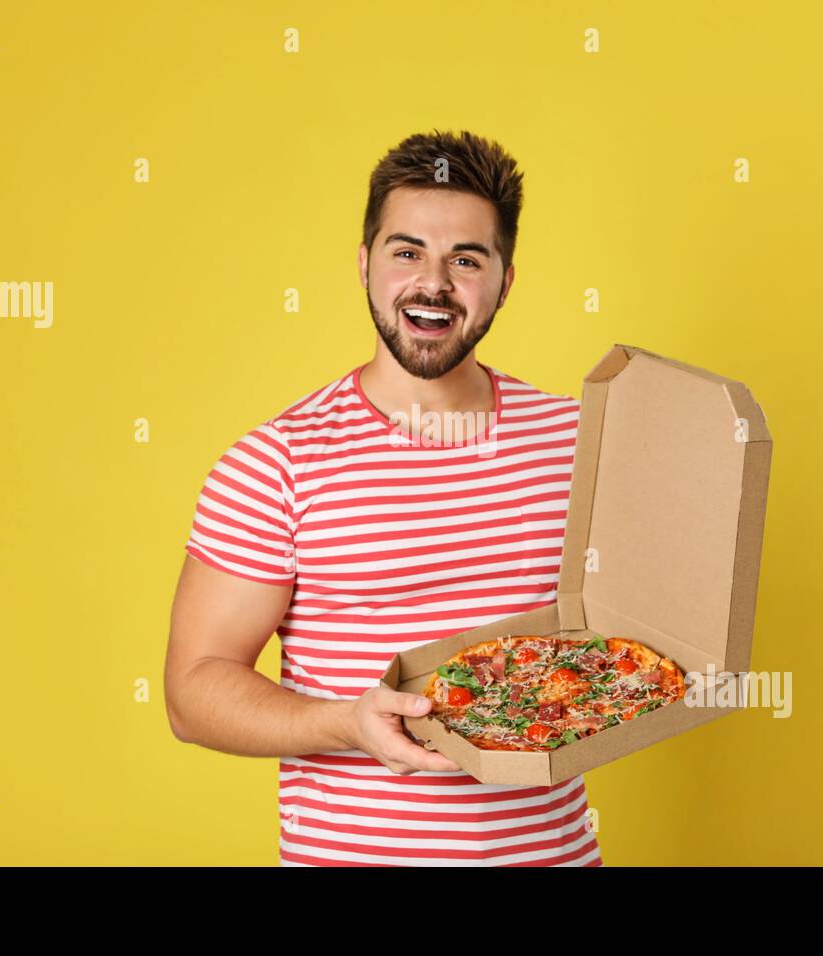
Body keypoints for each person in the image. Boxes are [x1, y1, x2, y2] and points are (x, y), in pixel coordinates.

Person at [164, 129, 602, 866]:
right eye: (407, 252)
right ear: (365, 265)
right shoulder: (279, 462)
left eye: (467, 260)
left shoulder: (582, 441)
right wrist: (347, 723)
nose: (433, 283)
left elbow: (635, 633)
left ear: (506, 280)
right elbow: (193, 690)